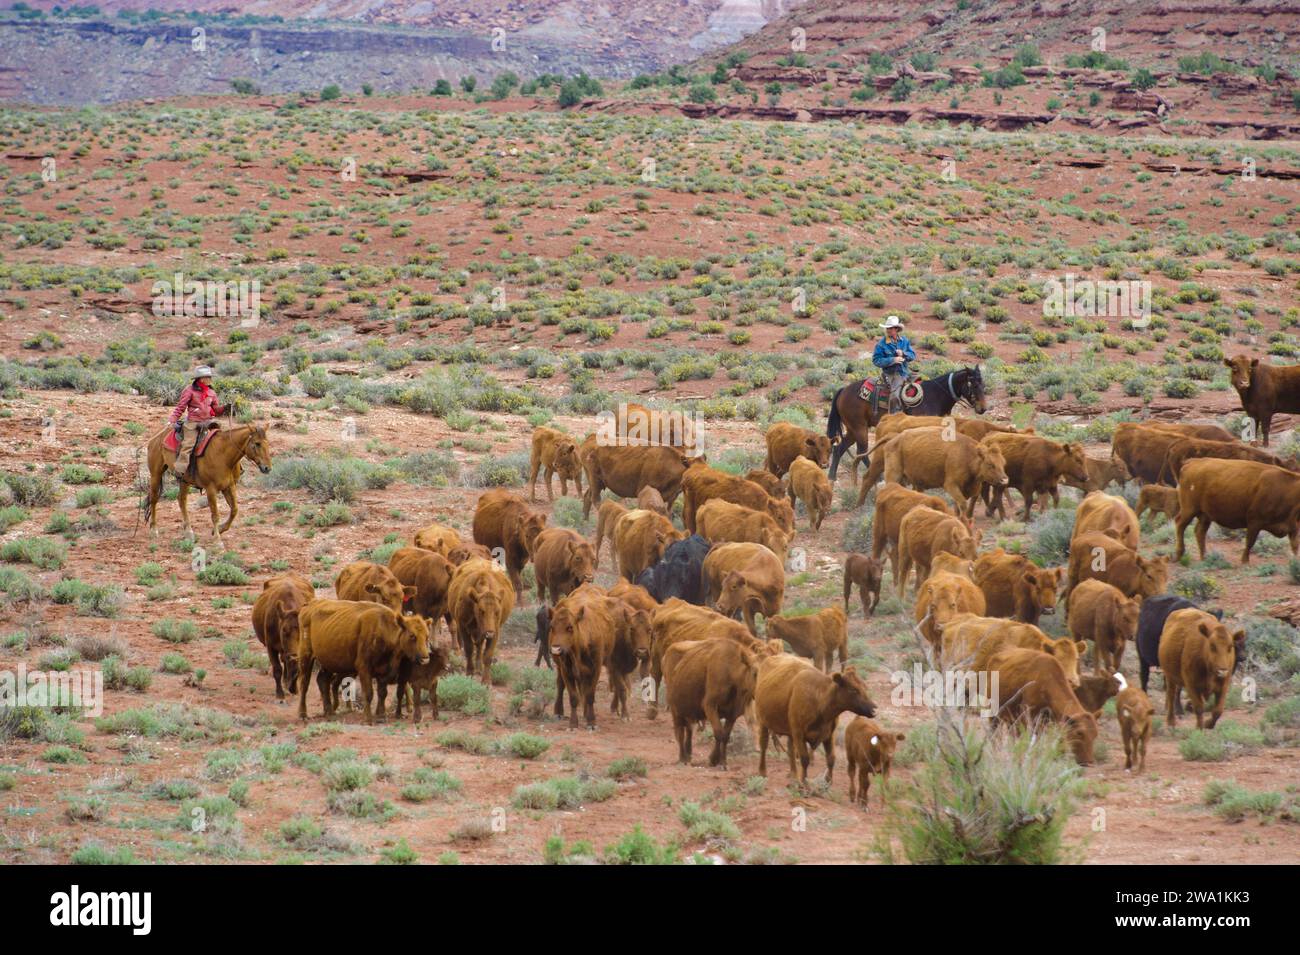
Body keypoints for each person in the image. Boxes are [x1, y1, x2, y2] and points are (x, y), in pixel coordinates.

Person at [169, 365, 226, 479]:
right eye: (208, 377)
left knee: (223, 439)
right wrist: (173, 420)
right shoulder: (189, 390)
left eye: (210, 377)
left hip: (208, 422)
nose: (210, 379)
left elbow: (216, 410)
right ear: (201, 379)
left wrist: (224, 408)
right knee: (188, 444)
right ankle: (180, 470)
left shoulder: (211, 392)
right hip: (193, 423)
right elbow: (181, 407)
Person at [871, 315, 916, 414]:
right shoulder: (881, 344)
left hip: (905, 372)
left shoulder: (905, 341)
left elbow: (913, 355)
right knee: (895, 395)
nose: (888, 330)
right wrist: (893, 360)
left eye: (890, 328)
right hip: (891, 374)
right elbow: (876, 360)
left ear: (897, 329)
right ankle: (893, 417)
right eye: (887, 328)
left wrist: (904, 354)